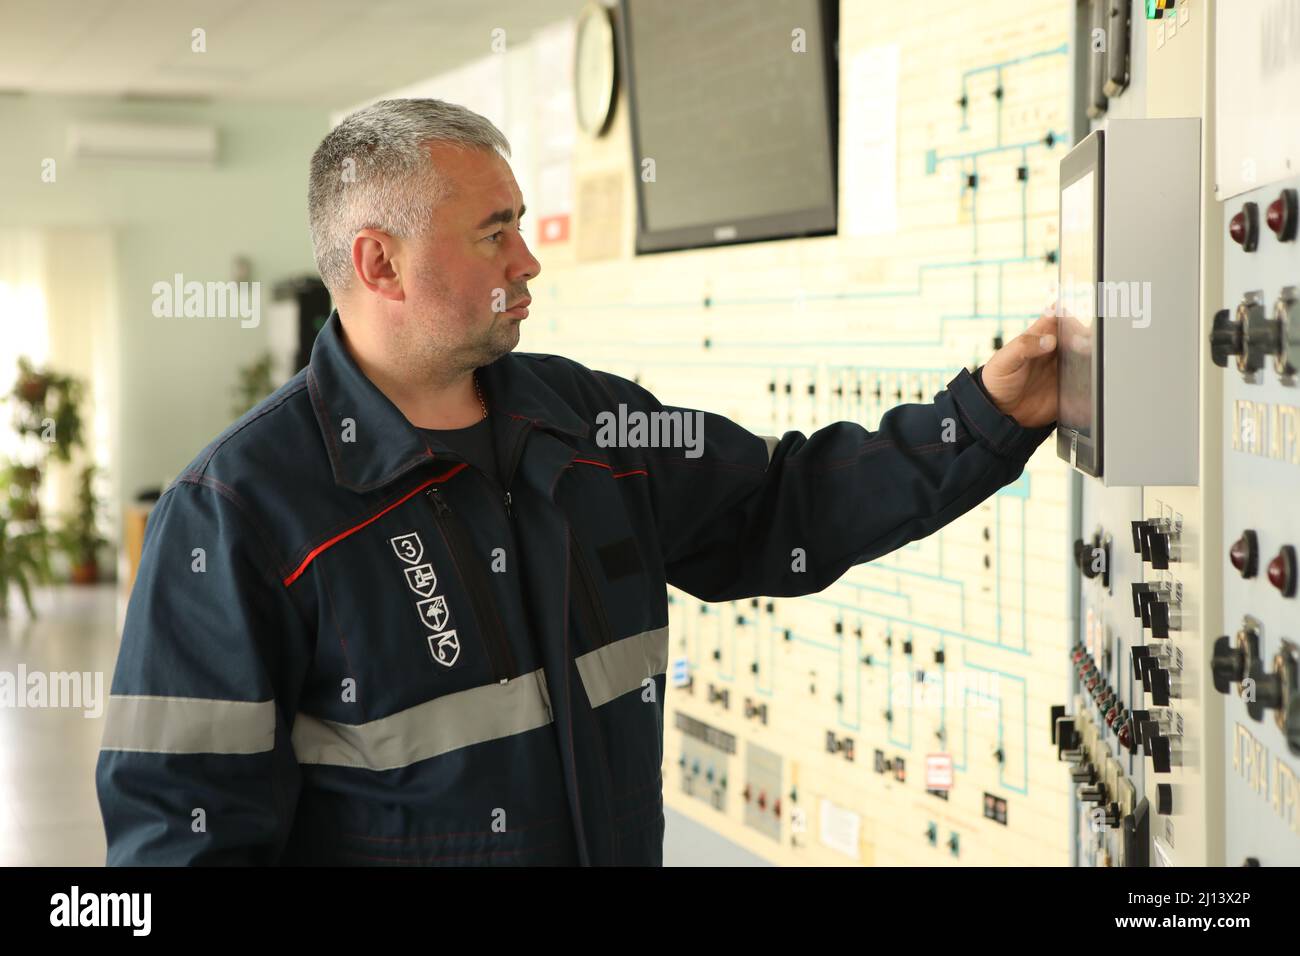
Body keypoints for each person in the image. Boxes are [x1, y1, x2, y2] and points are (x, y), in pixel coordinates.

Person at [96, 98, 1059, 865]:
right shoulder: (235, 511)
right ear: (379, 262)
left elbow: (782, 504)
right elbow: (181, 835)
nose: (529, 260)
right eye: (494, 234)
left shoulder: (592, 424)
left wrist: (985, 414)